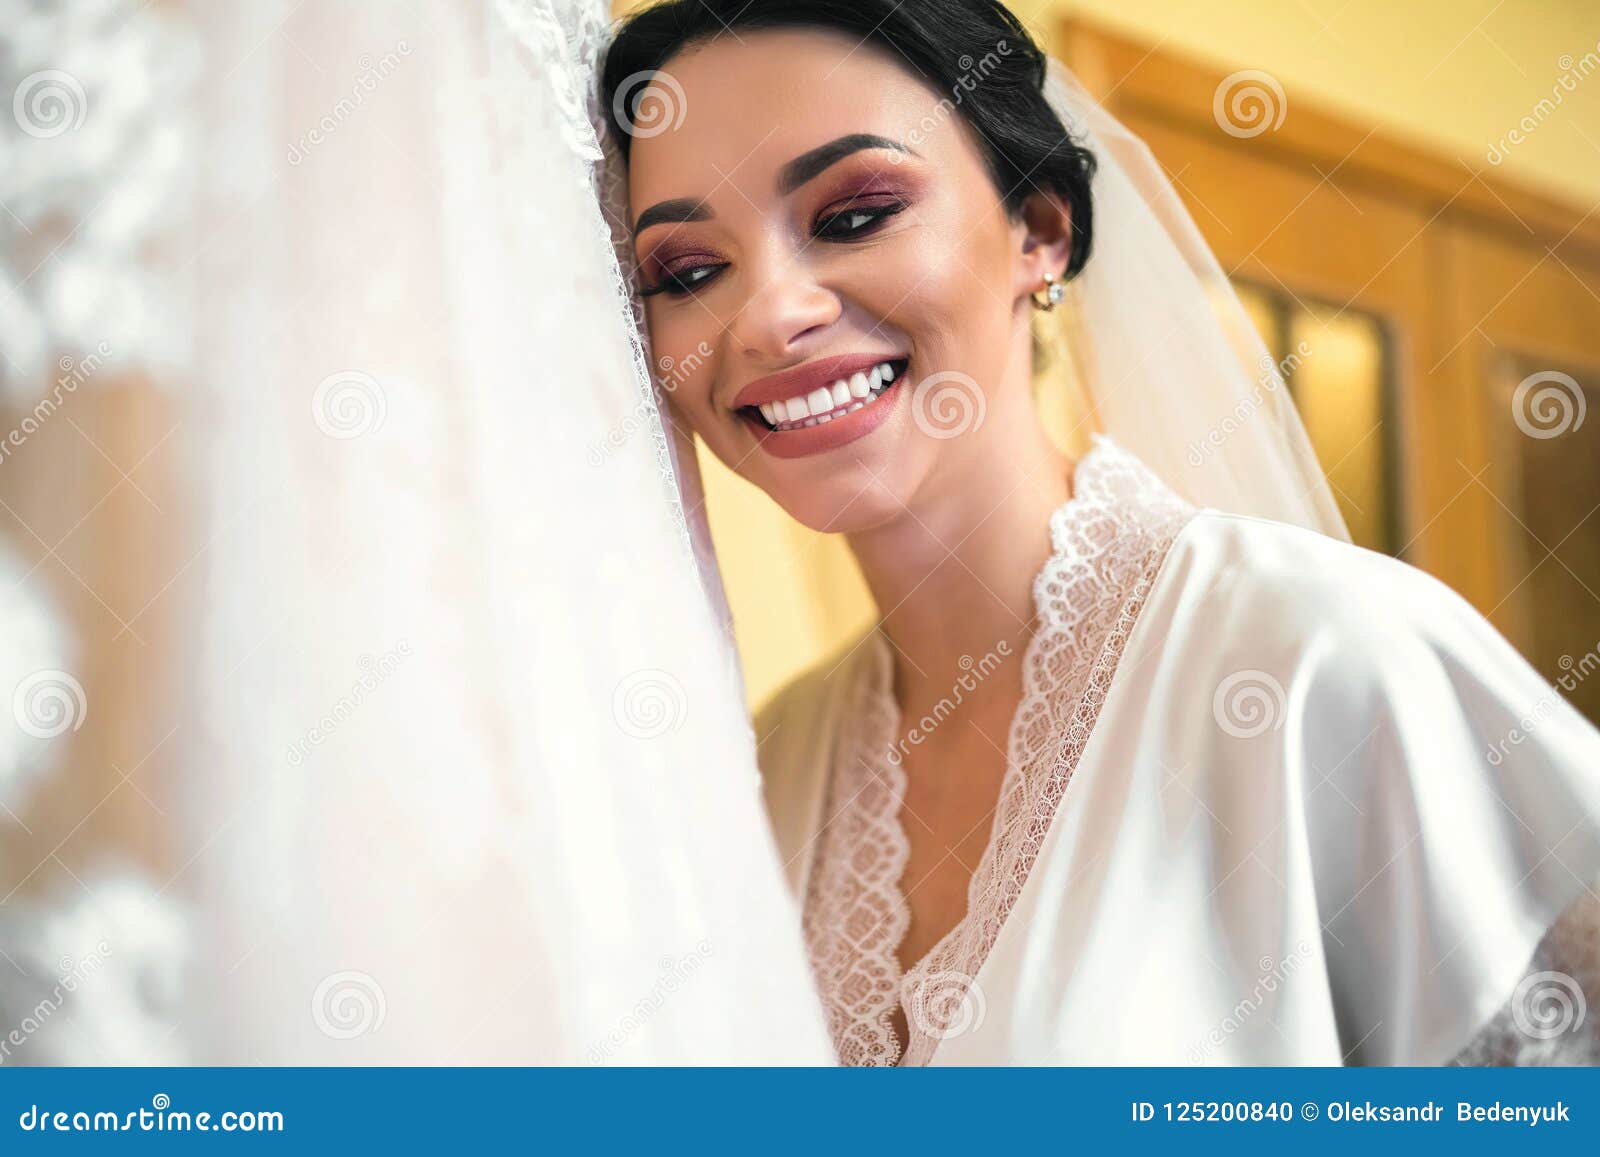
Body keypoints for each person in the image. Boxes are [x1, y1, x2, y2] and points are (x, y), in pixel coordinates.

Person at [600, 0, 1600, 1065]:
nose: (766, 315)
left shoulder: (1322, 654)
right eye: (689, 273)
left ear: (1039, 229)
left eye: (853, 214)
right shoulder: (772, 758)